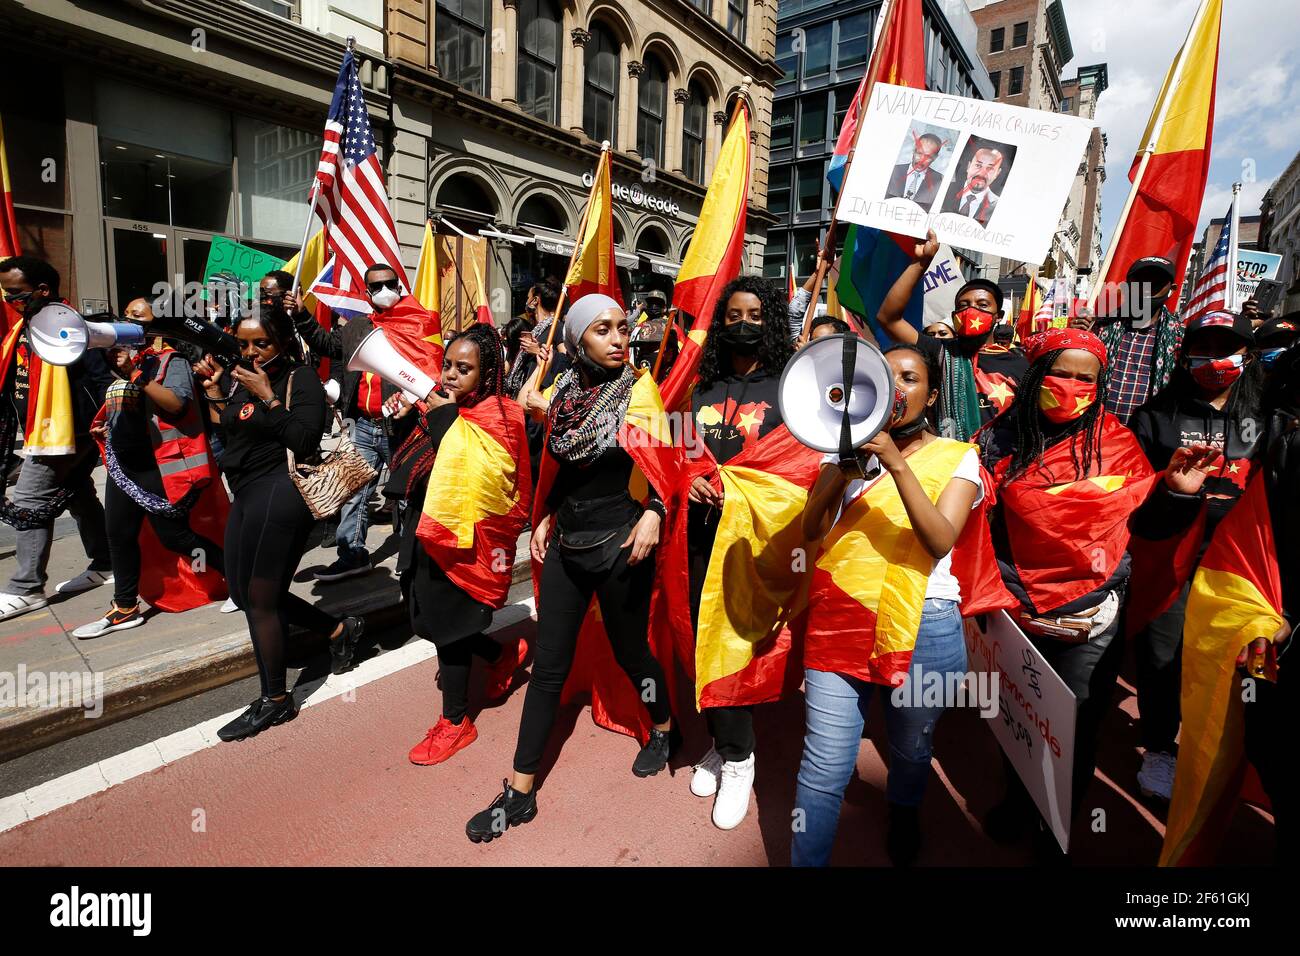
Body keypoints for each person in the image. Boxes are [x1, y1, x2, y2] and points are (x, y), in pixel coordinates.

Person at [980, 328, 1220, 860]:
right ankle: (1018, 802)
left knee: (1074, 733)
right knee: (1017, 720)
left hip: (1090, 619)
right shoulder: (998, 439)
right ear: (1038, 374)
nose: (1071, 386)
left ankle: (1054, 828)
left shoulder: (1118, 444)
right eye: (1061, 373)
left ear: (1100, 385)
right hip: (1015, 615)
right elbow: (980, 527)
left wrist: (1179, 494)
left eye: (1085, 378)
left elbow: (1147, 529)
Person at [465, 293, 686, 843]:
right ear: (576, 340)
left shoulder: (639, 390)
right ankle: (518, 792)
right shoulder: (561, 394)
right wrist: (543, 515)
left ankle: (663, 727)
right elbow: (560, 468)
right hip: (566, 541)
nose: (619, 338)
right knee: (549, 667)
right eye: (603, 330)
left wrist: (656, 513)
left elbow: (668, 461)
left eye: (622, 328)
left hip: (621, 543)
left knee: (631, 651)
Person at [792, 344, 983, 866]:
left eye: (910, 378)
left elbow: (939, 539)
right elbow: (810, 529)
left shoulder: (957, 455)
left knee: (910, 749)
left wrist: (897, 465)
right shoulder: (838, 450)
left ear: (933, 394)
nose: (897, 388)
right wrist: (844, 468)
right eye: (885, 376)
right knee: (824, 764)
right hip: (841, 619)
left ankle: (904, 805)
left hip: (925, 623)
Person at [194, 303, 364, 743]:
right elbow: (232, 431)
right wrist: (216, 392)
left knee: (261, 599)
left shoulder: (299, 378)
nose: (250, 352)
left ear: (284, 342)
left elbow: (305, 441)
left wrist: (268, 395)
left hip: (282, 491)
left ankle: (275, 700)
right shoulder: (238, 380)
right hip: (247, 493)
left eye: (261, 343)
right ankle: (339, 628)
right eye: (243, 343)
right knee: (240, 589)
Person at [1126, 310, 1266, 801]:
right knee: (1162, 656)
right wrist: (1174, 492)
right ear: (1184, 355)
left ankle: (1230, 750)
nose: (1214, 359)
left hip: (1240, 570)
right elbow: (1133, 503)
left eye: (1225, 346)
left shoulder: (1265, 419)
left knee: (1241, 663)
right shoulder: (1153, 418)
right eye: (1203, 347)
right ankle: (1161, 748)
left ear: (1246, 356)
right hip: (1170, 564)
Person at [385, 324, 533, 765]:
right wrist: (401, 421)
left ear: (486, 375)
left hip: (463, 542)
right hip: (424, 527)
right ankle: (500, 652)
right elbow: (414, 465)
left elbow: (487, 480)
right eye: (447, 365)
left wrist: (443, 418)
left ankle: (455, 723)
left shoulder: (502, 415)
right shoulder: (437, 406)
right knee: (425, 621)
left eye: (463, 369)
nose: (449, 375)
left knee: (447, 629)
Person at [682, 276, 796, 830]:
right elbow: (676, 448)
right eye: (732, 315)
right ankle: (724, 742)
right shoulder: (700, 386)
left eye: (754, 314)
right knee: (703, 640)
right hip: (699, 537)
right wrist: (692, 477)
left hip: (755, 544)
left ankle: (739, 758)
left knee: (737, 644)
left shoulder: (789, 389)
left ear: (769, 321)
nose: (742, 323)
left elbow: (801, 467)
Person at [73, 301, 230, 638]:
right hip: (123, 465)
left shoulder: (170, 360)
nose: (127, 322)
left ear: (158, 327)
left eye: (137, 317)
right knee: (119, 535)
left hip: (157, 467)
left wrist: (133, 374)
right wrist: (108, 427)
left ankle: (236, 575)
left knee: (175, 536)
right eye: (126, 316)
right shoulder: (129, 361)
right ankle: (125, 606)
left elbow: (176, 405)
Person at [290, 264, 442, 582]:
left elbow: (431, 369)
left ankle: (428, 555)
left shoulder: (418, 321)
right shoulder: (359, 326)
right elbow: (328, 346)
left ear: (399, 285)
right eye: (377, 285)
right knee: (354, 491)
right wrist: (302, 315)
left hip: (402, 427)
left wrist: (409, 401)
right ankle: (352, 555)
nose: (384, 289)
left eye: (390, 283)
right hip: (363, 424)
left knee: (415, 492)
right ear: (367, 291)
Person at [0, 256, 114, 623]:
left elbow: (97, 385)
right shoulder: (24, 327)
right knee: (80, 496)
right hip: (43, 431)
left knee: (31, 500)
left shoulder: (70, 327)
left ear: (43, 291)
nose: (8, 298)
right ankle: (107, 562)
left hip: (63, 435)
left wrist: (96, 429)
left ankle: (26, 588)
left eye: (15, 292)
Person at [876, 232, 1016, 440]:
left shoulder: (1019, 363)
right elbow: (888, 318)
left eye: (982, 305)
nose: (971, 311)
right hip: (950, 461)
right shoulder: (941, 351)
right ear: (954, 316)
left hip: (998, 465)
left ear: (999, 316)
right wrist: (920, 263)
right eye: (963, 306)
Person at [1087, 256, 1185, 425]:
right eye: (1140, 281)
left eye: (1157, 283)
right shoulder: (1100, 326)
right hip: (1095, 430)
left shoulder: (1181, 337)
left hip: (1146, 436)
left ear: (1172, 289)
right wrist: (1076, 335)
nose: (1146, 288)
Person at [939, 146, 1004, 227]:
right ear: (969, 166)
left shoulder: (999, 207)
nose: (982, 173)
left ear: (997, 173)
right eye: (978, 165)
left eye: (990, 168)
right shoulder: (942, 190)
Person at [885, 132, 944, 208]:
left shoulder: (940, 182)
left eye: (928, 156)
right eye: (919, 153)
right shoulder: (892, 170)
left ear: (935, 158)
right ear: (914, 150)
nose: (921, 160)